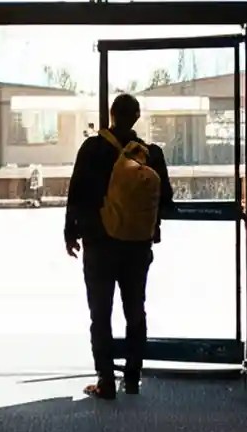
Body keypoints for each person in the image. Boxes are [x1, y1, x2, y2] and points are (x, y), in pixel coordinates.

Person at [64, 93, 174, 400]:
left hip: (99, 244)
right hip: (137, 246)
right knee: (135, 309)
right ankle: (134, 377)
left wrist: (70, 232)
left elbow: (76, 194)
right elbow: (166, 200)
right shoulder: (150, 154)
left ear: (111, 115)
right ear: (137, 117)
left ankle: (105, 380)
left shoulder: (92, 148)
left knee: (100, 312)